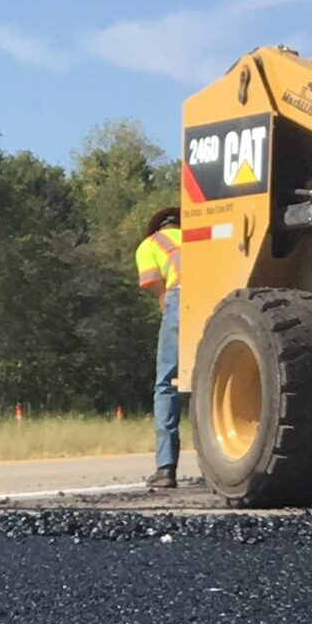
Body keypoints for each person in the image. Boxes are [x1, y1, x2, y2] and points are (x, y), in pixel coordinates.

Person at [135, 204, 184, 489]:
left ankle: (165, 468)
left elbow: (155, 283)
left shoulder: (150, 244)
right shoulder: (200, 239)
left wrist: (162, 298)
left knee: (167, 383)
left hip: (179, 296)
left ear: (157, 227)